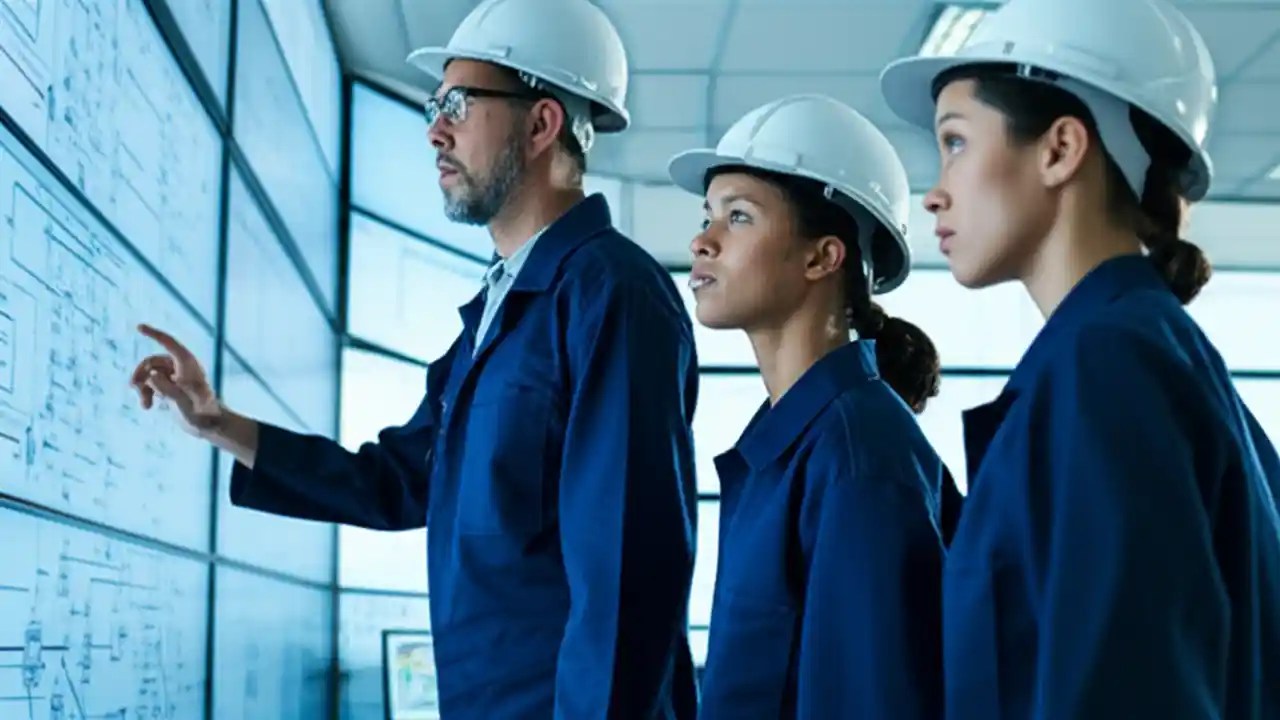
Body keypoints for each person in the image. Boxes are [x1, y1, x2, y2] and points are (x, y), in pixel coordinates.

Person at [130, 0, 701, 717]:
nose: (436, 129)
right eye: (437, 106)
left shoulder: (610, 292)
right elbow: (396, 482)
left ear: (541, 123)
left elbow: (628, 571)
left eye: (459, 104)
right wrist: (219, 423)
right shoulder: (497, 312)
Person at [879, 0, 1280, 717]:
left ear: (1061, 149)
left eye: (957, 141)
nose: (935, 191)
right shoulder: (1141, 353)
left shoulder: (1108, 370)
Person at [666, 94, 952, 718]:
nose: (702, 240)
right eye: (708, 214)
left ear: (823, 256)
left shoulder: (858, 456)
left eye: (738, 217)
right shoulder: (796, 443)